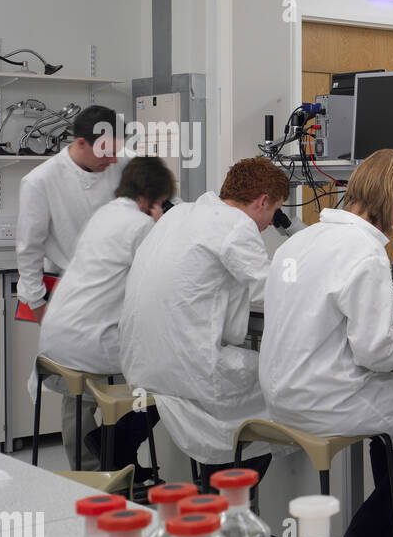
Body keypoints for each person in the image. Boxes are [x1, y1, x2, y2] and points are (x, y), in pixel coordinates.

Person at [260, 151, 393, 537]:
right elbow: (375, 354)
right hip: (323, 398)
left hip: (280, 392)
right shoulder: (366, 254)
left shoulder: (301, 240)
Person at [120, 157, 288, 486]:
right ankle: (224, 496)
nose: (269, 224)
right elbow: (272, 291)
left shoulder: (181, 214)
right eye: (273, 211)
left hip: (140, 359)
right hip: (186, 366)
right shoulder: (237, 227)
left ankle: (215, 481)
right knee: (280, 383)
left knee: (254, 378)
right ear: (263, 200)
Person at [33, 158, 175, 478]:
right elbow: (157, 282)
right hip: (91, 339)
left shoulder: (107, 213)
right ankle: (112, 460)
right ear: (154, 196)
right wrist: (160, 226)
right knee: (166, 376)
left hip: (60, 331)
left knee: (77, 402)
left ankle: (90, 471)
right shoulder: (140, 225)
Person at [16, 105, 126, 468]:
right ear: (81, 142)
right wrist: (39, 307)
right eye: (105, 151)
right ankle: (85, 470)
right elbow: (28, 249)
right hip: (71, 297)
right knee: (79, 392)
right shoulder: (40, 182)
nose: (112, 159)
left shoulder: (118, 166)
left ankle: (121, 463)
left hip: (119, 292)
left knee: (126, 388)